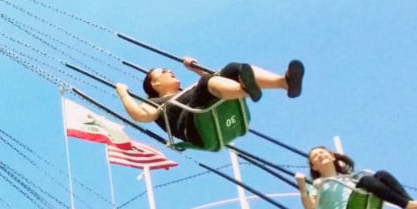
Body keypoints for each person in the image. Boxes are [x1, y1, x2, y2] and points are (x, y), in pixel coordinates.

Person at [115, 56, 302, 147]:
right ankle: (245, 89)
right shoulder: (154, 101)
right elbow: (140, 116)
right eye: (163, 72)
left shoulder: (188, 91)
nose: (169, 71)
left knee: (232, 68)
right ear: (155, 83)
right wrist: (123, 93)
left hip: (207, 110)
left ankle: (284, 83)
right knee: (206, 83)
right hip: (194, 128)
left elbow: (215, 81)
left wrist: (193, 68)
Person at [297, 147, 417, 209]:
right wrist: (302, 187)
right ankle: (411, 207)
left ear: (332, 156)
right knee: (365, 181)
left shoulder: (348, 179)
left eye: (322, 152)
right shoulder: (317, 183)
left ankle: (412, 206)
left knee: (381, 175)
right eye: (315, 157)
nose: (320, 155)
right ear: (314, 166)